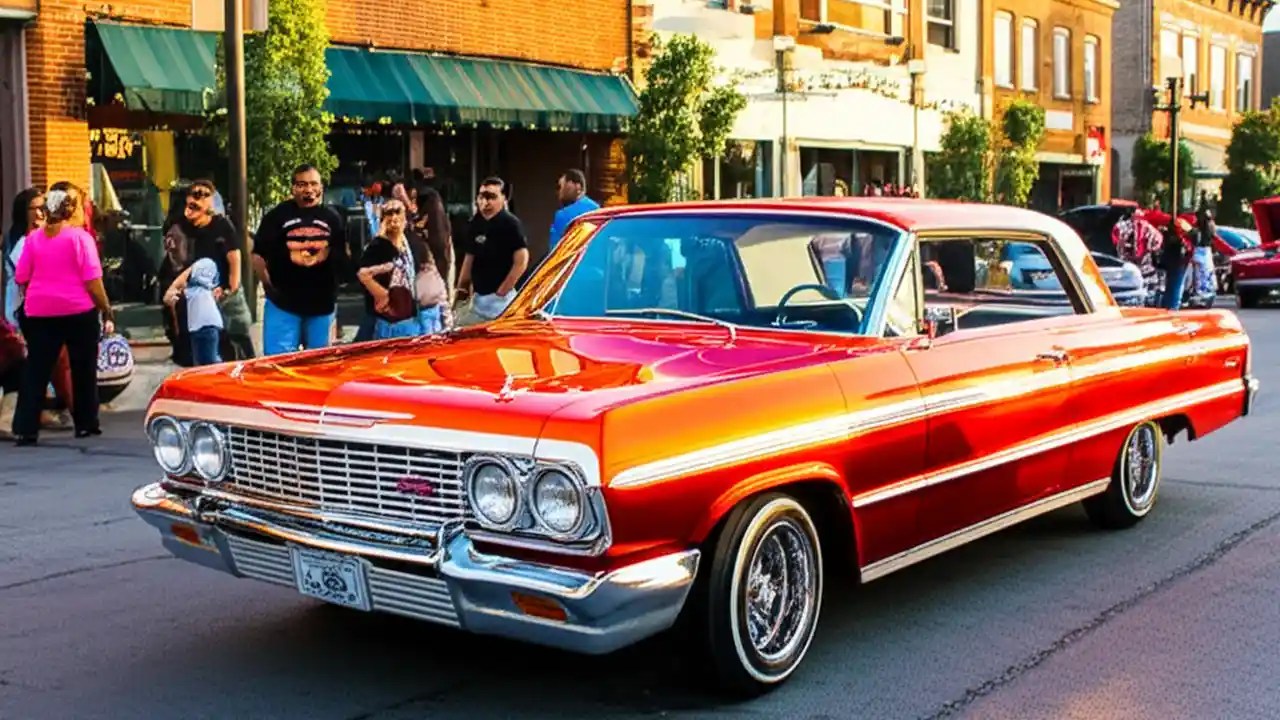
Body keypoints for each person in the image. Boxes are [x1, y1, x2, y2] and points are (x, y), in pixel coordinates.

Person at [10, 184, 114, 445]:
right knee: (83, 368)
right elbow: (93, 281)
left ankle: (25, 428)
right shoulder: (81, 238)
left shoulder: (33, 240)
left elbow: (22, 276)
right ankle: (86, 424)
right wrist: (106, 307)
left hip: (40, 312)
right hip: (78, 311)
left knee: (36, 369)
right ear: (69, 211)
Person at [251, 164, 347, 355]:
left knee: (321, 364)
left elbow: (343, 255)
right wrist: (269, 286)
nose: (309, 189)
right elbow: (258, 255)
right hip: (283, 305)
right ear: (293, 188)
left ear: (321, 187)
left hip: (322, 305)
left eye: (313, 184)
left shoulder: (333, 218)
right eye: (302, 184)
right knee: (279, 363)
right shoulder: (276, 216)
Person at [455, 177, 529, 326]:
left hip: (502, 301)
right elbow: (469, 259)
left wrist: (502, 291)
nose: (485, 202)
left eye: (491, 197)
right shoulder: (475, 223)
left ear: (503, 198)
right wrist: (461, 289)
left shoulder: (511, 224)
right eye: (481, 197)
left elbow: (521, 260)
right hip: (478, 300)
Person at [183, 257, 223, 366]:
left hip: (206, 328)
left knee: (209, 361)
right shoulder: (195, 289)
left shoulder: (202, 289)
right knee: (203, 361)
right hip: (199, 328)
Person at [548, 169, 599, 254]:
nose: (559, 192)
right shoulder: (598, 210)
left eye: (561, 186)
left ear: (577, 186)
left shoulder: (563, 215)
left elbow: (555, 251)